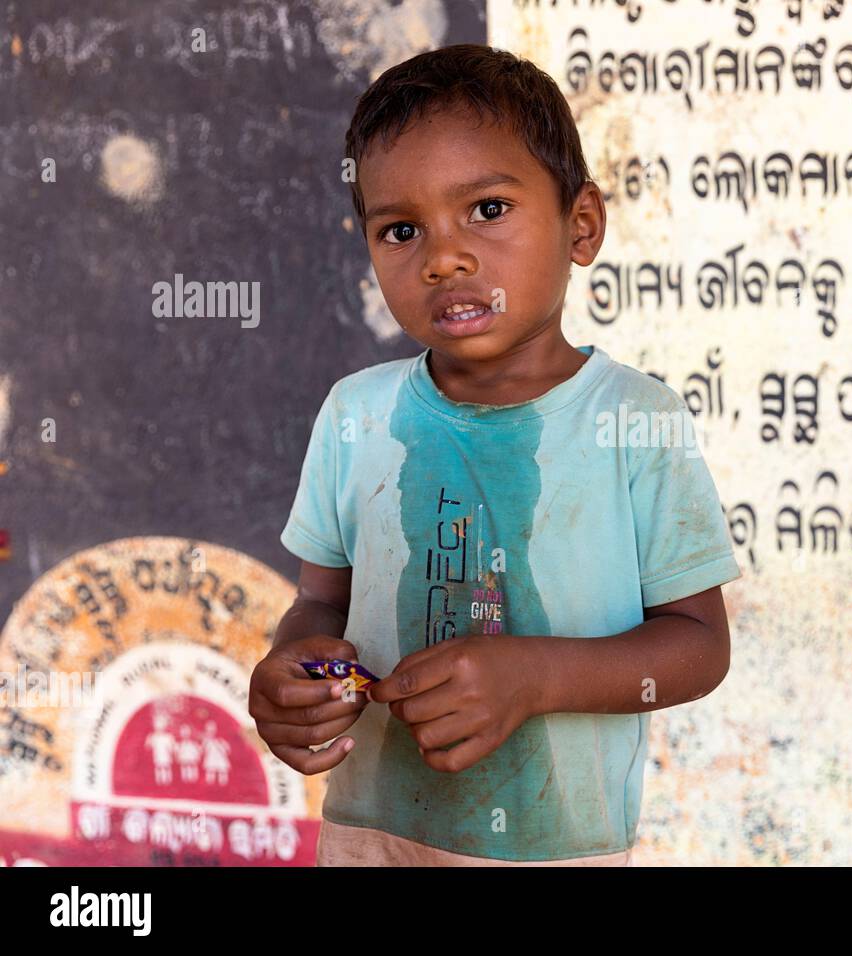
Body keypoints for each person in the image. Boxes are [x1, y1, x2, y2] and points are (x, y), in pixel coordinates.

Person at [248, 44, 742, 866]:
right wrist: (289, 671)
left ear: (581, 224)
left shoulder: (636, 419)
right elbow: (317, 607)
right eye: (401, 229)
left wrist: (533, 678)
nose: (443, 257)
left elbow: (697, 645)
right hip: (374, 835)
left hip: (556, 847)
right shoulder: (355, 416)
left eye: (486, 209)